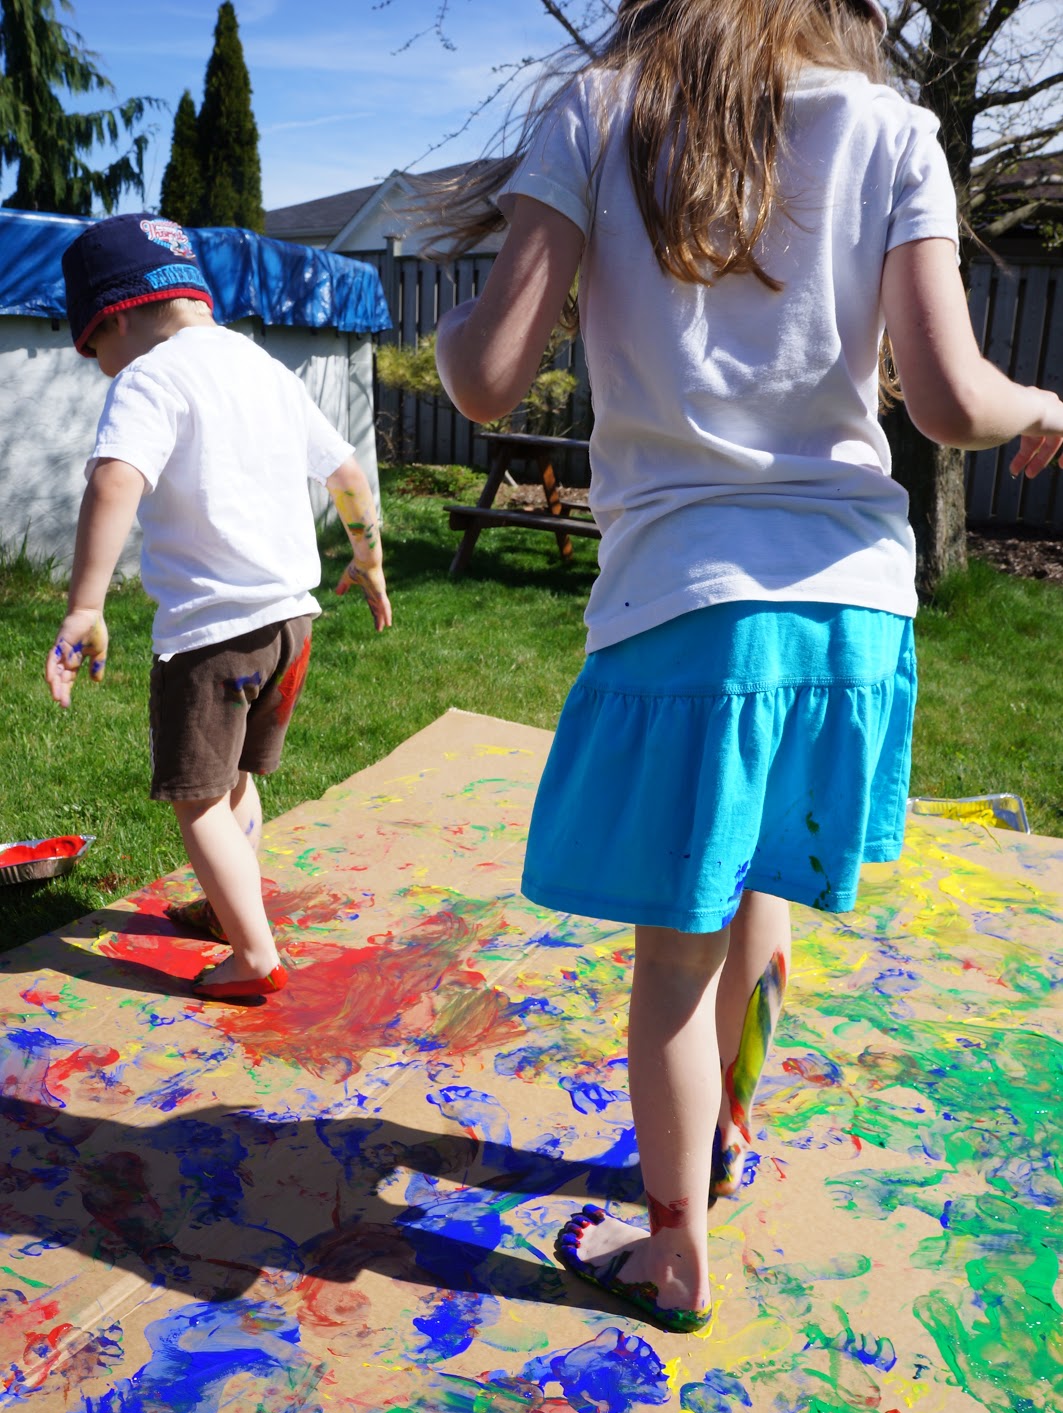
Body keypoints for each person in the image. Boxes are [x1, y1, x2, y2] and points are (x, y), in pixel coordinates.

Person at [431, 0, 1063, 1333]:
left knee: (670, 962)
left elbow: (486, 378)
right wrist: (1040, 405)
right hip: (852, 611)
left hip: (690, 605)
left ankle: (670, 1250)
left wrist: (447, 343)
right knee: (760, 886)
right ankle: (723, 1134)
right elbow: (948, 404)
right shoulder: (893, 128)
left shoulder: (596, 113)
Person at [46, 214, 391, 1002]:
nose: (104, 371)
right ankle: (223, 908)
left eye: (95, 353)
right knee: (235, 777)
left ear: (116, 317)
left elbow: (113, 480)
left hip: (212, 636)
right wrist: (368, 561)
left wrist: (84, 606)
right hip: (290, 627)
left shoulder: (150, 377)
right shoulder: (264, 367)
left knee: (196, 796)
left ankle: (253, 954)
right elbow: (346, 473)